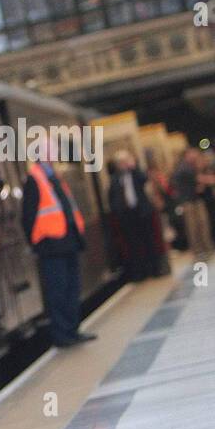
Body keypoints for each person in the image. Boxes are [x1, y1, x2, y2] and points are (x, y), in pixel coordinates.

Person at [21, 136, 96, 348]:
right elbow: (28, 216)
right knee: (58, 291)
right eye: (51, 149)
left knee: (72, 288)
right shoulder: (34, 179)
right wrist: (36, 244)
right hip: (51, 245)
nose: (55, 152)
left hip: (68, 241)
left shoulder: (55, 176)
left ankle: (72, 330)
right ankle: (62, 335)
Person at [107, 150, 158, 282]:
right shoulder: (115, 178)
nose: (122, 164)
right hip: (127, 216)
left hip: (142, 212)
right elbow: (112, 196)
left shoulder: (136, 174)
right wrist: (117, 212)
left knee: (148, 241)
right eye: (120, 162)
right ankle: (139, 273)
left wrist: (133, 167)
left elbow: (144, 179)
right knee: (133, 245)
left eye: (125, 161)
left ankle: (154, 269)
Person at [171, 149, 215, 256]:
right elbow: (200, 179)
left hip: (194, 199)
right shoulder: (185, 168)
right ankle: (199, 249)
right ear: (187, 154)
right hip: (189, 202)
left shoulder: (187, 167)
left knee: (201, 224)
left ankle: (205, 247)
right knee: (195, 226)